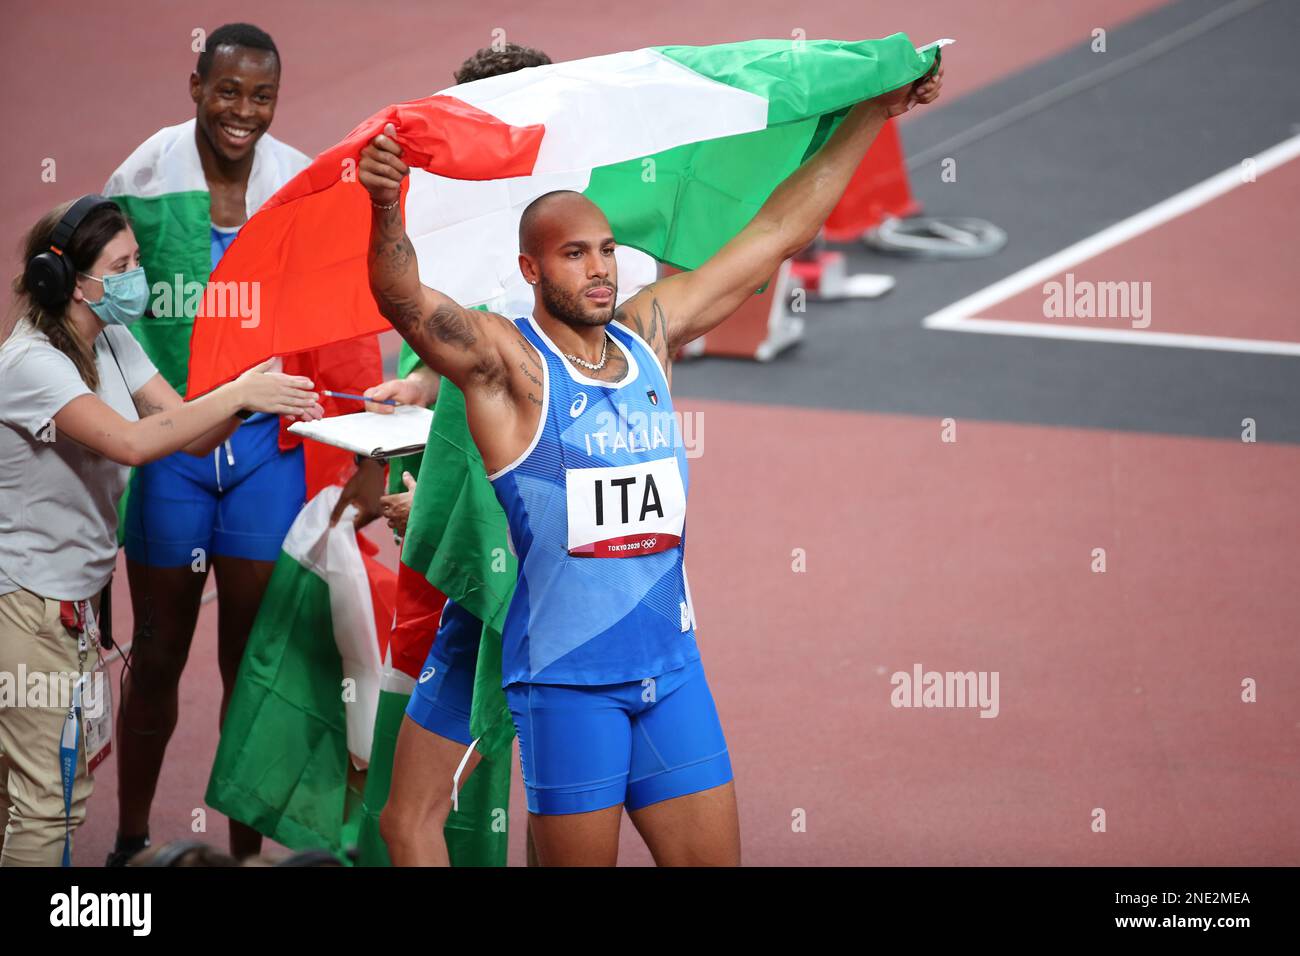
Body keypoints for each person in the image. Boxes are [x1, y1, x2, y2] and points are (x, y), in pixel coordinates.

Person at [359, 60, 945, 863]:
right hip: (568, 685)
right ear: (532, 270)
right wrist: (386, 205)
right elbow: (404, 301)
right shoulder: (511, 371)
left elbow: (777, 234)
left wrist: (874, 112)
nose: (599, 268)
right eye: (574, 254)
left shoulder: (649, 336)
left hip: (671, 673)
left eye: (605, 250)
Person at [0, 197, 321, 867]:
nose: (135, 278)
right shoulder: (31, 365)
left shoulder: (110, 340)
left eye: (138, 262)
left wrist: (244, 393)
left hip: (67, 604)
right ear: (66, 280)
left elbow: (193, 438)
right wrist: (236, 394)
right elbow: (132, 443)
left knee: (26, 793)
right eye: (120, 266)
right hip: (23, 605)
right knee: (46, 804)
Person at [102, 22, 345, 863]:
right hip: (173, 448)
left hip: (265, 455)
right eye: (228, 91)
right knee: (161, 652)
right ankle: (130, 842)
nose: (243, 111)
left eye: (262, 96)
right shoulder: (139, 178)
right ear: (196, 85)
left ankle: (247, 855)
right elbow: (103, 316)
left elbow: (334, 305)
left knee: (253, 660)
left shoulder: (299, 182)